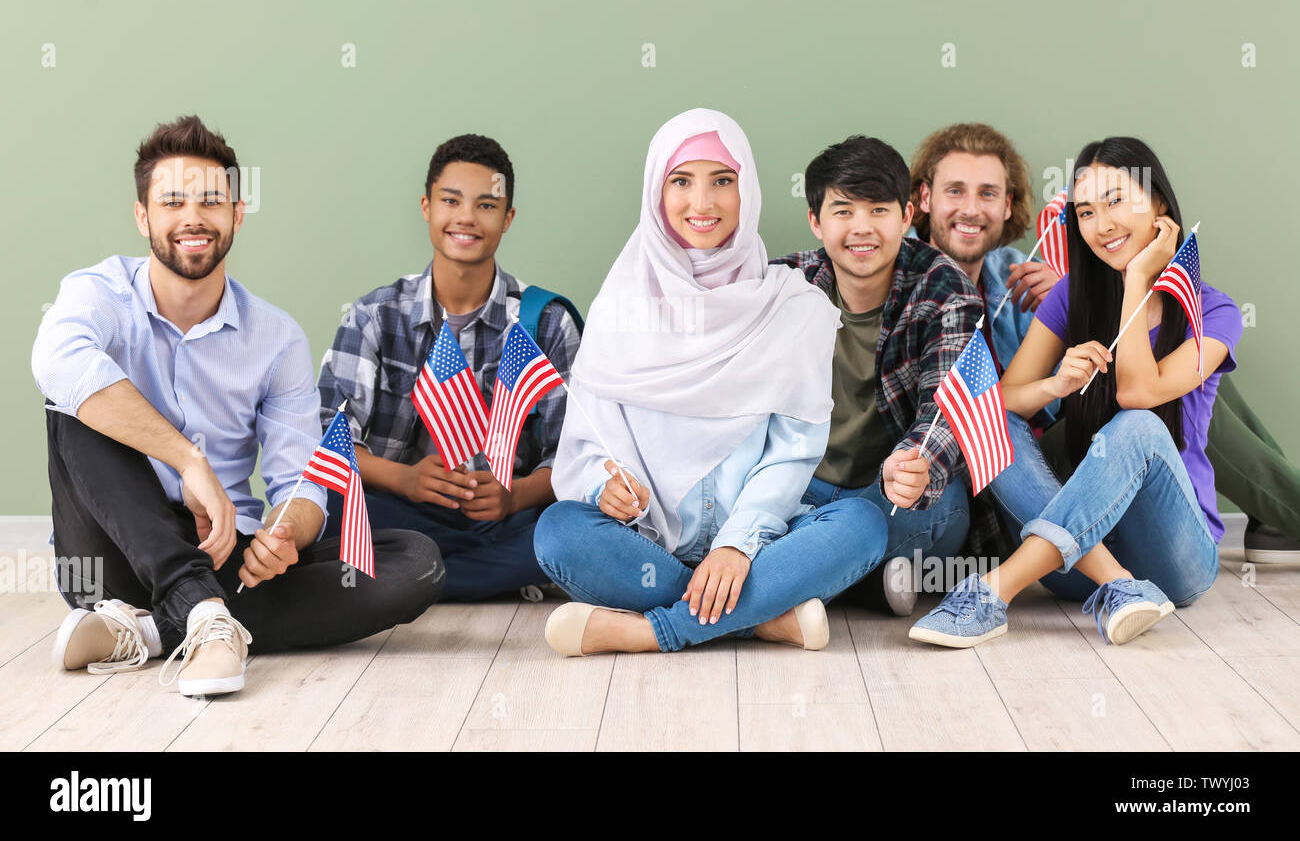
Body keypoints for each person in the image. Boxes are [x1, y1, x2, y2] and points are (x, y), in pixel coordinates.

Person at [33, 115, 443, 696]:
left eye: (210, 201)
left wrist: (284, 534)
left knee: (413, 559)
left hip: (226, 553)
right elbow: (57, 361)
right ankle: (201, 615)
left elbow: (302, 481)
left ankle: (154, 630)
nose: (192, 217)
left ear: (236, 214)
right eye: (172, 201)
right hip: (115, 549)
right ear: (142, 216)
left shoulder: (276, 338)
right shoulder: (99, 292)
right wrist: (188, 462)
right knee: (74, 398)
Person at [533, 108, 885, 656]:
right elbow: (586, 444)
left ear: (747, 193)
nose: (703, 203)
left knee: (863, 523)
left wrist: (737, 546)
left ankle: (652, 630)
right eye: (681, 181)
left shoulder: (794, 306)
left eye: (722, 181)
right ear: (656, 192)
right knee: (557, 531)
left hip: (762, 544)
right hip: (644, 543)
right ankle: (762, 619)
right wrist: (605, 487)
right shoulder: (620, 307)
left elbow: (793, 454)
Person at [913, 121, 1300, 562]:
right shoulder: (916, 278)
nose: (1102, 225)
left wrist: (1127, 281)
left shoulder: (1015, 271)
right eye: (1086, 212)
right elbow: (990, 407)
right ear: (924, 199)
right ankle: (1280, 512)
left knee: (1192, 377)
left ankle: (1279, 513)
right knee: (999, 418)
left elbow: (1137, 397)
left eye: (987, 193)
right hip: (1028, 471)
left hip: (1148, 509)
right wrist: (1057, 376)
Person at [317, 134, 582, 601]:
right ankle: (486, 574)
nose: (466, 218)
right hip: (402, 509)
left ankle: (415, 575)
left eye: (486, 205)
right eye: (451, 200)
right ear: (426, 207)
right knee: (330, 506)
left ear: (507, 218)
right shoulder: (374, 316)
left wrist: (514, 496)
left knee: (578, 526)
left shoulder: (547, 322)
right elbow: (326, 442)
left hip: (509, 513)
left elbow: (574, 456)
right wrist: (405, 479)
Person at [772, 136, 983, 615]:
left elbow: (948, 409)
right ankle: (860, 584)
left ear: (907, 216)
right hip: (801, 490)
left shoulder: (944, 286)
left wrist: (914, 461)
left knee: (945, 505)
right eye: (843, 211)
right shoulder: (784, 285)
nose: (861, 229)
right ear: (815, 221)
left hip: (887, 495)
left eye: (879, 211)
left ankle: (796, 576)